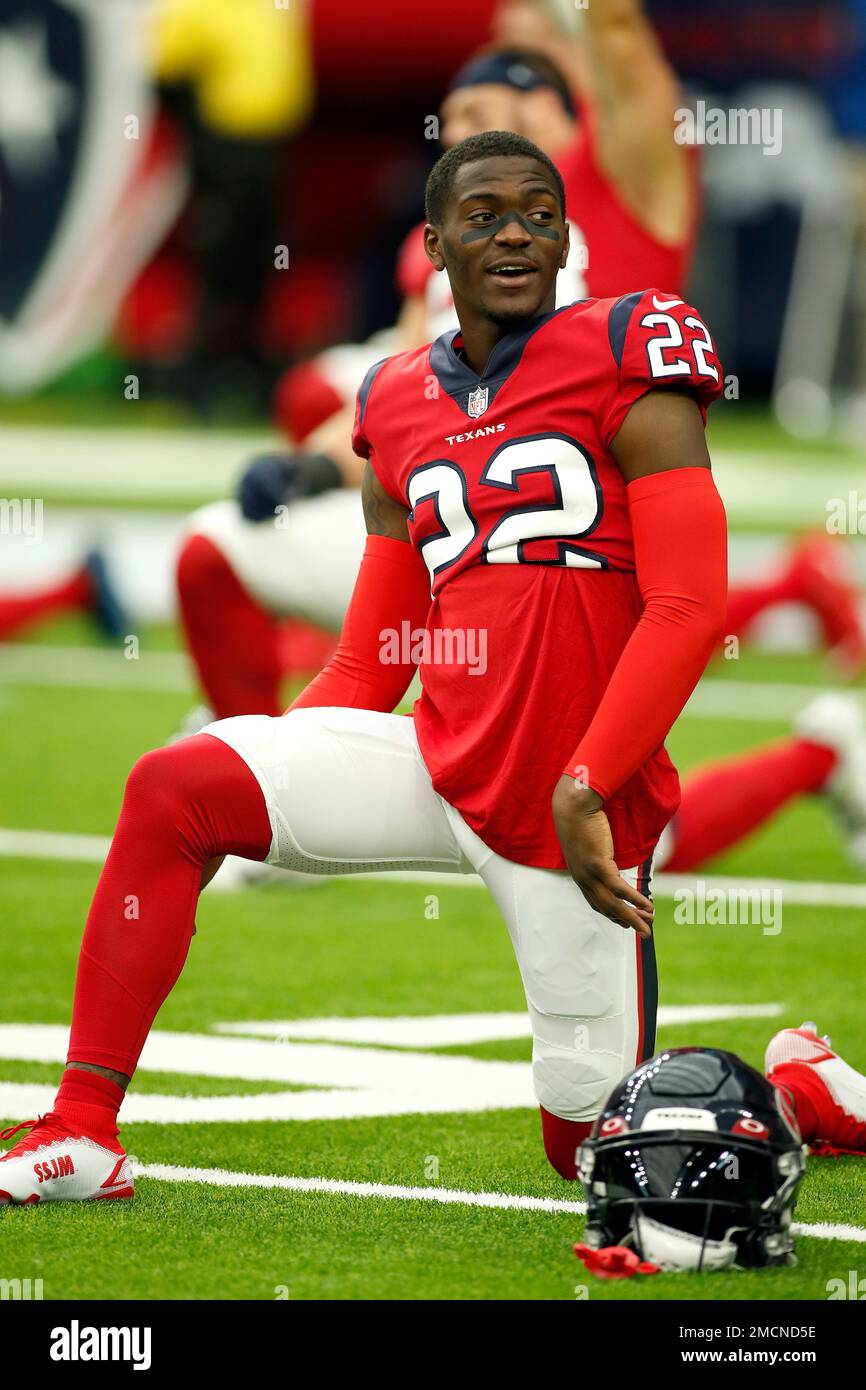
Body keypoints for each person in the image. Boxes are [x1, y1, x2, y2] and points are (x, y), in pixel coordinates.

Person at [1, 133, 862, 1207]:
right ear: (433, 244)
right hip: (439, 760)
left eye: (538, 213)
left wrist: (589, 777)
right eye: (485, 212)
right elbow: (372, 655)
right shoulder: (394, 398)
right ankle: (82, 1129)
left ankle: (797, 1088)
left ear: (565, 235)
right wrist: (276, 764)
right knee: (175, 787)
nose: (514, 230)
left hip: (569, 804)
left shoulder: (631, 344)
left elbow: (685, 606)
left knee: (607, 1162)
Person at [176, 0, 703, 720]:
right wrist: (317, 465)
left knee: (584, 814)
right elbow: (402, 392)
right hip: (454, 548)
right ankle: (252, 761)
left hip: (582, 567)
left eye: (477, 111)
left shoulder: (623, 180)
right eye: (448, 119)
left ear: (552, 114)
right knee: (214, 549)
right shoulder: (448, 243)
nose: (454, 133)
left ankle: (814, 748)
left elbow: (618, 39)